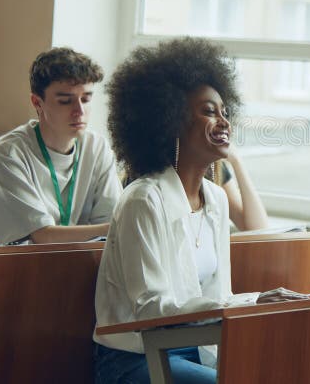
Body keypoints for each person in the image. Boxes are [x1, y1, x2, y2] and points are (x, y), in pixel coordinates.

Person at [93, 37, 259, 384]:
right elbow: (151, 309)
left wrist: (257, 304)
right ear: (171, 121)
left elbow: (220, 298)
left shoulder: (216, 199)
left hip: (196, 349)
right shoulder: (143, 200)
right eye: (209, 111)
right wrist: (250, 303)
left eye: (225, 112)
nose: (224, 122)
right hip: (133, 360)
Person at [0, 48, 122, 245]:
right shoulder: (8, 154)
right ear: (37, 102)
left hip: (66, 260)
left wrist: (116, 229)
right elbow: (41, 237)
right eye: (65, 101)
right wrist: (120, 228)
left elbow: (110, 224)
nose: (79, 111)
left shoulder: (98, 148)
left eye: (86, 99)